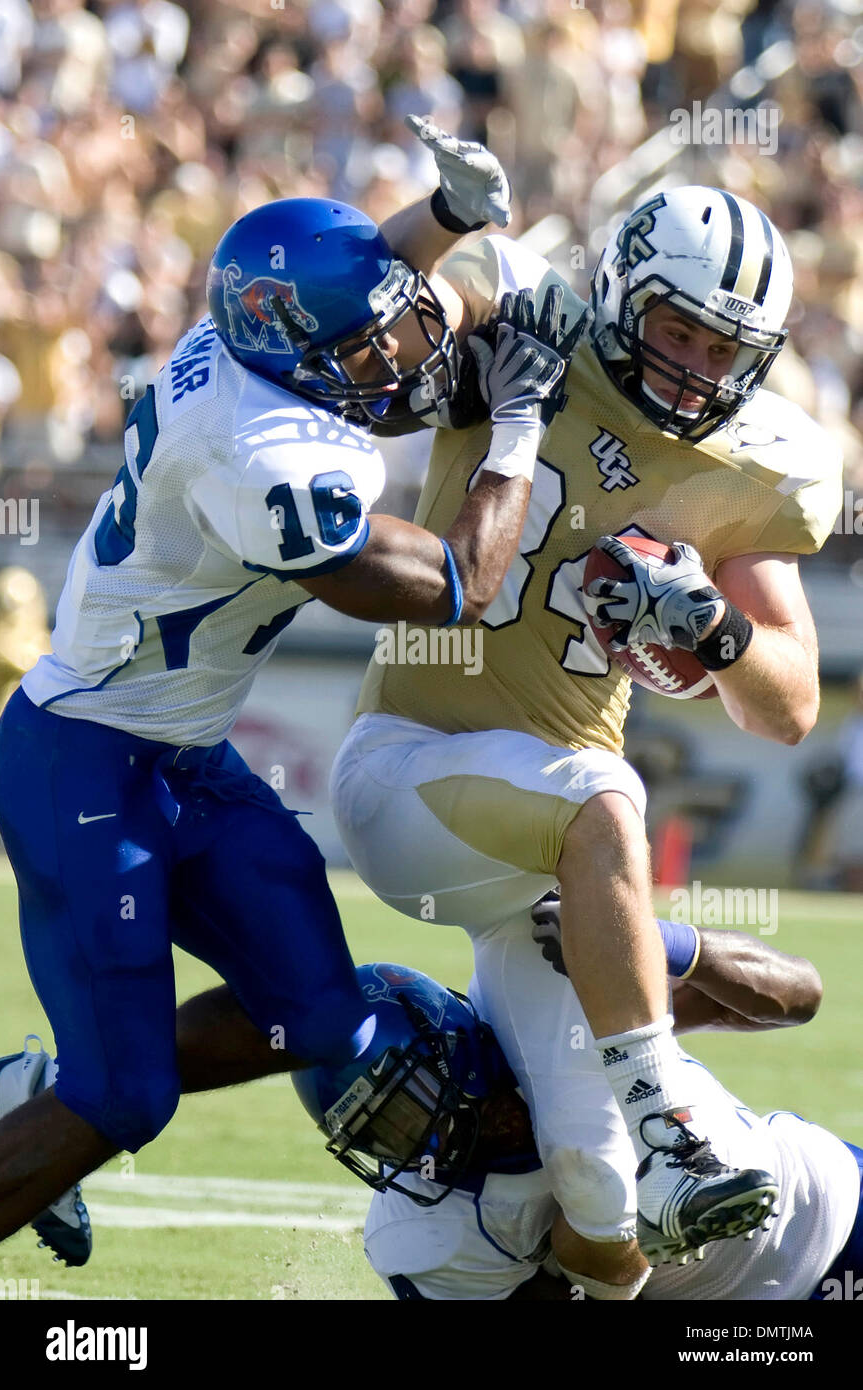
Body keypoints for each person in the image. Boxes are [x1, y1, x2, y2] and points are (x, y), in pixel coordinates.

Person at [0, 122, 572, 1266]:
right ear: (302, 359)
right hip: (85, 762)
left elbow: (344, 288)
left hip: (186, 757)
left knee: (318, 1018)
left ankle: (33, 1090)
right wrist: (520, 422)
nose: (401, 356)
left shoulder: (247, 329)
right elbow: (457, 583)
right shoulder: (262, 455)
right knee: (127, 1102)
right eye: (370, 351)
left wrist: (443, 218)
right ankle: (65, 1106)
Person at [328, 180, 844, 1277]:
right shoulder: (532, 322)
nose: (697, 367)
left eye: (724, 348)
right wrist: (448, 263)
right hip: (409, 780)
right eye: (676, 330)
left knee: (602, 1202)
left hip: (561, 869)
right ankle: (678, 1132)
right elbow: (395, 318)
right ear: (619, 295)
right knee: (605, 796)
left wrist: (716, 633)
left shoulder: (756, 464)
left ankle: (641, 1170)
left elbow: (789, 704)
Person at [292, 926, 862, 1302]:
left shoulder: (546, 1018)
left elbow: (800, 994)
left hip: (838, 1202)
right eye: (387, 1141)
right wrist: (604, 1247)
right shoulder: (425, 1239)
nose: (425, 1151)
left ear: (454, 1048)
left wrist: (643, 939)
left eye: (412, 1113)